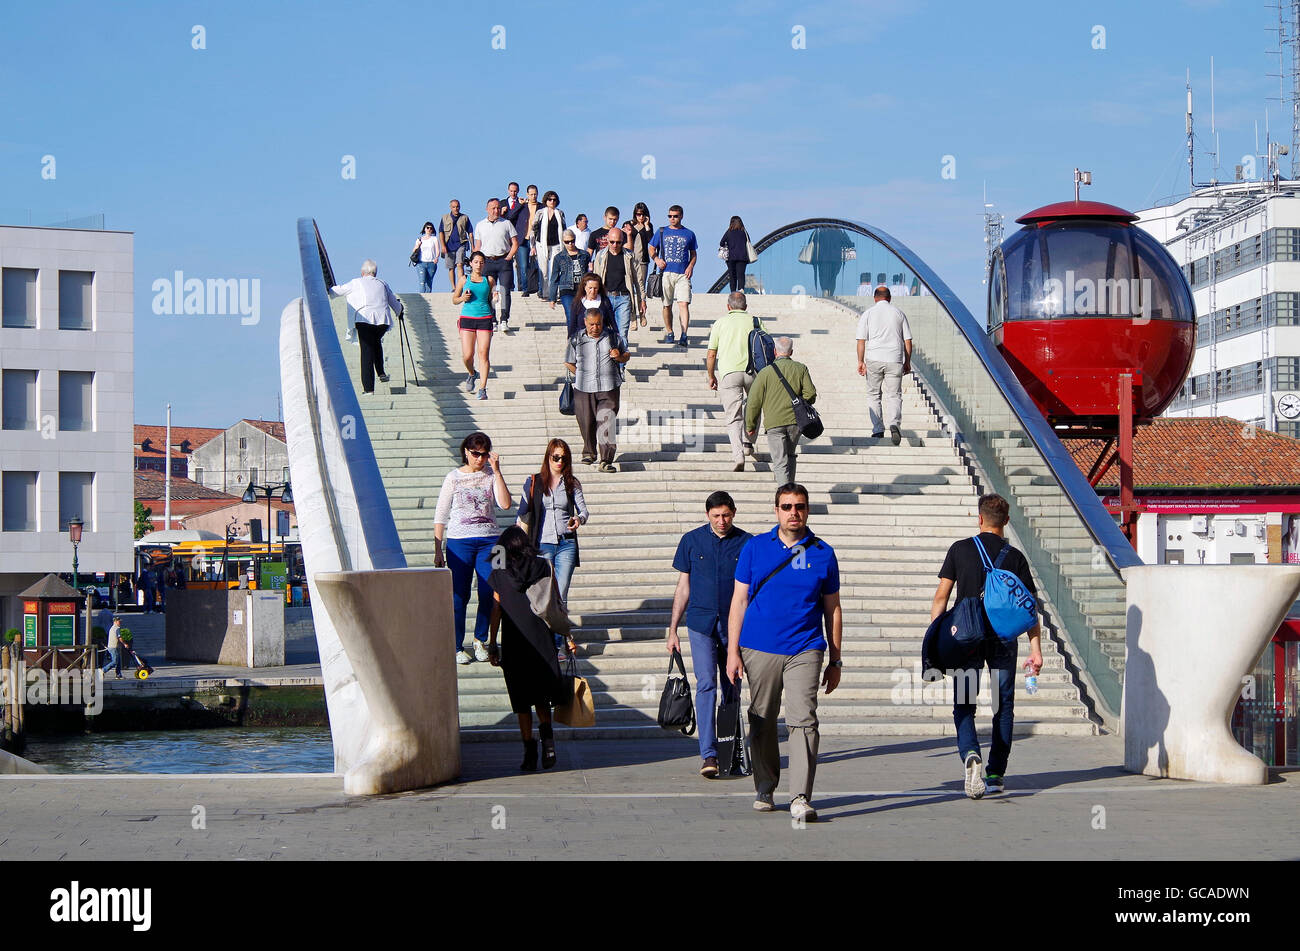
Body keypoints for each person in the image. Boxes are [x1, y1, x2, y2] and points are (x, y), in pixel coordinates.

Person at [726, 483, 842, 820]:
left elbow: (833, 609)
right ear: (776, 510)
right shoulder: (755, 548)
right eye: (787, 506)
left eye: (800, 506)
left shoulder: (822, 552)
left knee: (803, 718)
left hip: (806, 647)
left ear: (808, 510)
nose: (794, 512)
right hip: (758, 647)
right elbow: (739, 600)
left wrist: (835, 658)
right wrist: (732, 652)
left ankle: (800, 796)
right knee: (761, 717)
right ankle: (765, 785)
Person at [929, 493, 1042, 799]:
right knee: (1003, 707)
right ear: (1006, 521)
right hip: (1003, 640)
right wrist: (1036, 649)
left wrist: (936, 637)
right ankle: (995, 774)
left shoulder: (960, 550)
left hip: (966, 639)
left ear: (979, 518)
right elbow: (1028, 608)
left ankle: (970, 752)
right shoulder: (1015, 557)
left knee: (964, 704)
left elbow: (941, 596)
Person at [667, 491, 752, 778]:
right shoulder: (692, 540)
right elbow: (683, 588)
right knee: (705, 685)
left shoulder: (747, 543)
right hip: (701, 624)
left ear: (734, 513)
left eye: (726, 515)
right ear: (707, 516)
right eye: (716, 516)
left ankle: (730, 749)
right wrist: (672, 629)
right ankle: (709, 754)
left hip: (734, 626)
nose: (721, 521)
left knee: (732, 685)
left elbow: (753, 591)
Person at [487, 526, 577, 770]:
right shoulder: (543, 565)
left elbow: (496, 608)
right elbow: (556, 603)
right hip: (541, 638)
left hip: (515, 640)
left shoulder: (499, 570)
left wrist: (492, 641)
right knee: (542, 696)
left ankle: (529, 752)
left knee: (521, 700)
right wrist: (567, 635)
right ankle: (548, 746)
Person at [433, 432, 512, 664]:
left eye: (484, 454)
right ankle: (456, 645)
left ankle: (480, 639)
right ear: (466, 452)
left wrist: (497, 471)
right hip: (460, 542)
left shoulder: (490, 474)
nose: (479, 458)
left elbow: (505, 504)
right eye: (476, 453)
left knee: (490, 591)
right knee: (460, 595)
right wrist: (438, 548)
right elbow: (441, 514)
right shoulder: (453, 477)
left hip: (491, 541)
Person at [517, 438, 589, 651]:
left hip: (566, 543)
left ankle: (559, 642)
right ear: (548, 457)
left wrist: (579, 519)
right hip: (542, 544)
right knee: (545, 594)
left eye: (563, 458)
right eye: (555, 457)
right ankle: (545, 638)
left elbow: (584, 510)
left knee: (562, 592)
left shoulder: (572, 483)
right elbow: (522, 514)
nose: (559, 461)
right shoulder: (534, 481)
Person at [565, 307, 629, 472]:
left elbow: (626, 354)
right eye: (592, 324)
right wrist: (582, 375)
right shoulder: (576, 339)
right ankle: (589, 452)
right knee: (586, 421)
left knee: (606, 423)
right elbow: (568, 362)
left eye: (598, 324)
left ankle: (606, 460)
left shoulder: (613, 337)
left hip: (609, 387)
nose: (595, 328)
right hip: (583, 388)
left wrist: (619, 356)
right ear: (585, 322)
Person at [745, 337, 816, 485]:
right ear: (791, 352)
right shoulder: (801, 368)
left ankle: (785, 493)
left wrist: (750, 425)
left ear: (775, 351)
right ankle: (791, 490)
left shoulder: (765, 372)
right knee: (790, 456)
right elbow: (810, 394)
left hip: (774, 423)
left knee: (779, 461)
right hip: (796, 422)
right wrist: (800, 404)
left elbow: (753, 401)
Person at [707, 291, 765, 471]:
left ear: (728, 307)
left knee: (733, 416)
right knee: (754, 409)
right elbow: (766, 346)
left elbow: (711, 354)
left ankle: (738, 455)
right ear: (746, 307)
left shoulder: (720, 323)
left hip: (729, 373)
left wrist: (711, 375)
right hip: (753, 372)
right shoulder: (756, 321)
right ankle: (749, 443)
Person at [329, 260, 404, 394]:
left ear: (362, 273)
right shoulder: (382, 283)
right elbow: (393, 302)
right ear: (375, 273)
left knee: (366, 352)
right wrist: (399, 310)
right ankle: (380, 372)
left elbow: (336, 292)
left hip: (363, 319)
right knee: (375, 342)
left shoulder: (355, 282)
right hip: (382, 321)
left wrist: (328, 288)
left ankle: (368, 389)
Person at [856, 285, 913, 444]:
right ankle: (894, 423)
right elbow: (907, 341)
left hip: (874, 358)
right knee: (895, 395)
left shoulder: (868, 313)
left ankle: (878, 430)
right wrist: (907, 362)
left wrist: (860, 361)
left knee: (874, 395)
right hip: (894, 358)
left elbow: (861, 341)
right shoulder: (898, 313)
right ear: (889, 298)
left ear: (875, 298)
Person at [648, 204, 697, 349]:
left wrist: (690, 266)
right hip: (666, 273)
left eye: (675, 216)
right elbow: (651, 247)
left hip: (682, 273)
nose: (672, 219)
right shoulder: (662, 231)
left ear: (681, 216)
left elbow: (693, 254)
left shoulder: (689, 234)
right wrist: (656, 259)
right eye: (670, 216)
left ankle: (684, 334)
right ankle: (669, 331)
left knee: (683, 303)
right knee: (667, 304)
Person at [453, 251, 497, 400]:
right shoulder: (463, 280)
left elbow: (494, 295)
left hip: (485, 318)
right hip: (467, 318)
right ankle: (472, 373)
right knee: (467, 356)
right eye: (476, 262)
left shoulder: (489, 280)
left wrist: (496, 296)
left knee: (483, 354)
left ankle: (482, 389)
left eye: (481, 262)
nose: (479, 265)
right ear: (471, 263)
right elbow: (454, 299)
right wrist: (462, 298)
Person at [591, 227, 644, 341]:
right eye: (612, 242)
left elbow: (638, 281)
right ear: (608, 240)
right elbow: (595, 280)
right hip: (606, 298)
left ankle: (621, 358)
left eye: (618, 242)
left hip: (624, 298)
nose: (615, 245)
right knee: (604, 334)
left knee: (622, 335)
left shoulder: (630, 256)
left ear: (623, 241)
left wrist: (642, 300)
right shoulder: (600, 256)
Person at [473, 198, 519, 331]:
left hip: (503, 260)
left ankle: (504, 319)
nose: (496, 210)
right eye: (493, 208)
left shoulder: (506, 223)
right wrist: (475, 262)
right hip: (487, 261)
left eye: (498, 208)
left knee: (504, 291)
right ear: (487, 209)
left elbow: (515, 243)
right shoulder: (480, 225)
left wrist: (509, 257)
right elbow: (477, 246)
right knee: (489, 291)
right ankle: (492, 320)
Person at [549, 229, 590, 327]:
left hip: (582, 289)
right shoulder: (559, 257)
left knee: (582, 316)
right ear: (563, 242)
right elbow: (554, 278)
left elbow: (589, 273)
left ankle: (580, 339)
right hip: (566, 289)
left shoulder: (585, 255)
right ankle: (571, 339)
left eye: (572, 241)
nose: (570, 244)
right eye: (567, 242)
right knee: (570, 316)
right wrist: (552, 298)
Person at [533, 190, 566, 301]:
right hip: (542, 244)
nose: (552, 201)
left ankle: (554, 294)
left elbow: (564, 229)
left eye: (554, 200)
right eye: (549, 199)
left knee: (555, 270)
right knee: (544, 270)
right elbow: (534, 229)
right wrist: (533, 245)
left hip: (557, 244)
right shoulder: (540, 213)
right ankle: (545, 293)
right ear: (545, 200)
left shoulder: (560, 213)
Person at [568, 273, 616, 340]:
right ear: (584, 287)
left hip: (602, 339)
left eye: (595, 288)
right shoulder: (577, 302)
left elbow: (612, 320)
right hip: (582, 340)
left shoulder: (605, 301)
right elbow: (572, 324)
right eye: (590, 288)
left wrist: (616, 334)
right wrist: (570, 338)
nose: (593, 291)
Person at [440, 199, 473, 291]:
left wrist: (472, 246)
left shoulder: (464, 217)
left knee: (460, 264)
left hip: (461, 244)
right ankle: (454, 287)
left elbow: (470, 232)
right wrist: (443, 245)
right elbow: (441, 232)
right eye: (454, 207)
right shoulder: (444, 218)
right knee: (451, 267)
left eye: (457, 207)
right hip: (448, 245)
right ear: (450, 207)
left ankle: (461, 286)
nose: (456, 209)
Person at [625, 201, 655, 301]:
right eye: (638, 214)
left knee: (641, 287)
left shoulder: (649, 226)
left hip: (642, 261)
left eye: (643, 214)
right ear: (635, 214)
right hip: (630, 259)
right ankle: (631, 314)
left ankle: (642, 313)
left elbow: (651, 241)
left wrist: (646, 226)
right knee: (629, 286)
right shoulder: (629, 224)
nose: (641, 217)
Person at [515, 184, 542, 296]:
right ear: (527, 195)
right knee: (523, 266)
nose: (533, 196)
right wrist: (519, 205)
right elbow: (511, 216)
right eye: (531, 194)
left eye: (535, 194)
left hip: (537, 240)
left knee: (539, 265)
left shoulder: (542, 207)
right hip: (523, 239)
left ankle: (541, 289)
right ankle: (525, 289)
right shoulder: (522, 206)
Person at [718, 215, 752, 294]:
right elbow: (749, 241)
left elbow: (721, 243)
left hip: (731, 257)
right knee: (741, 274)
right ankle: (741, 289)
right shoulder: (744, 232)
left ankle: (733, 291)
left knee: (732, 275)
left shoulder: (729, 232)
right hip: (742, 257)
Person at [411, 221, 441, 292]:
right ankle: (422, 297)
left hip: (431, 263)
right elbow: (414, 250)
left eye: (431, 228)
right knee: (422, 281)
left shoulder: (434, 239)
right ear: (424, 229)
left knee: (429, 282)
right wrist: (418, 245)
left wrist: (436, 257)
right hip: (421, 263)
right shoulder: (420, 239)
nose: (429, 229)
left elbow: (437, 250)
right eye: (427, 228)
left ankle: (428, 298)